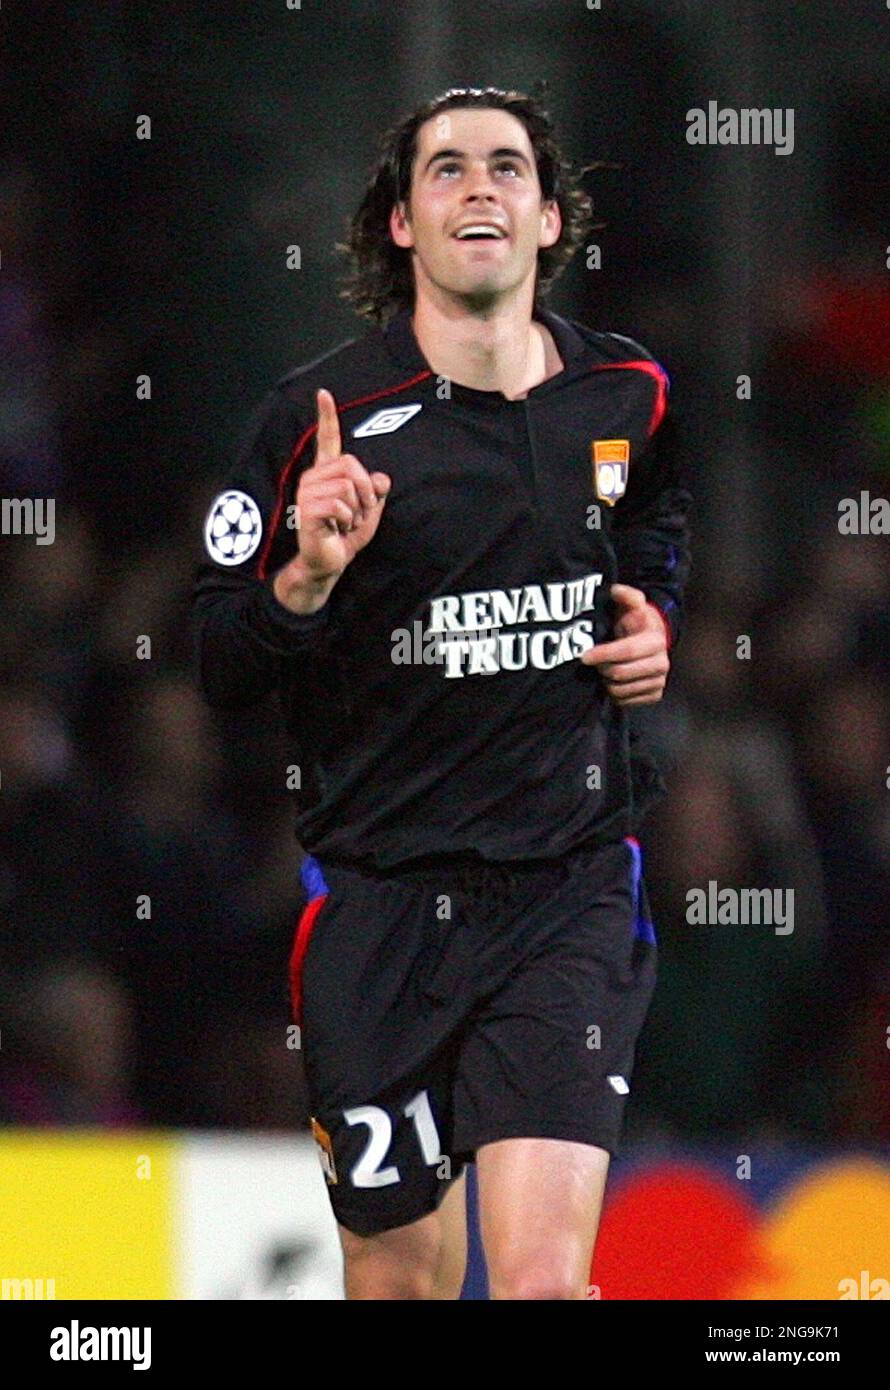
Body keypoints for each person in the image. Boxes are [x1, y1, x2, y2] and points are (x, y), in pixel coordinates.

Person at [192, 85, 691, 1300]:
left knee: (535, 1285)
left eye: (507, 167)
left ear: (549, 218)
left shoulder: (630, 394)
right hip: (380, 907)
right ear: (403, 224)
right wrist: (307, 580)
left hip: (563, 890)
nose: (479, 187)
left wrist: (652, 625)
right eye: (447, 169)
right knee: (403, 1286)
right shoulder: (317, 424)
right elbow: (215, 665)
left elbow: (652, 539)